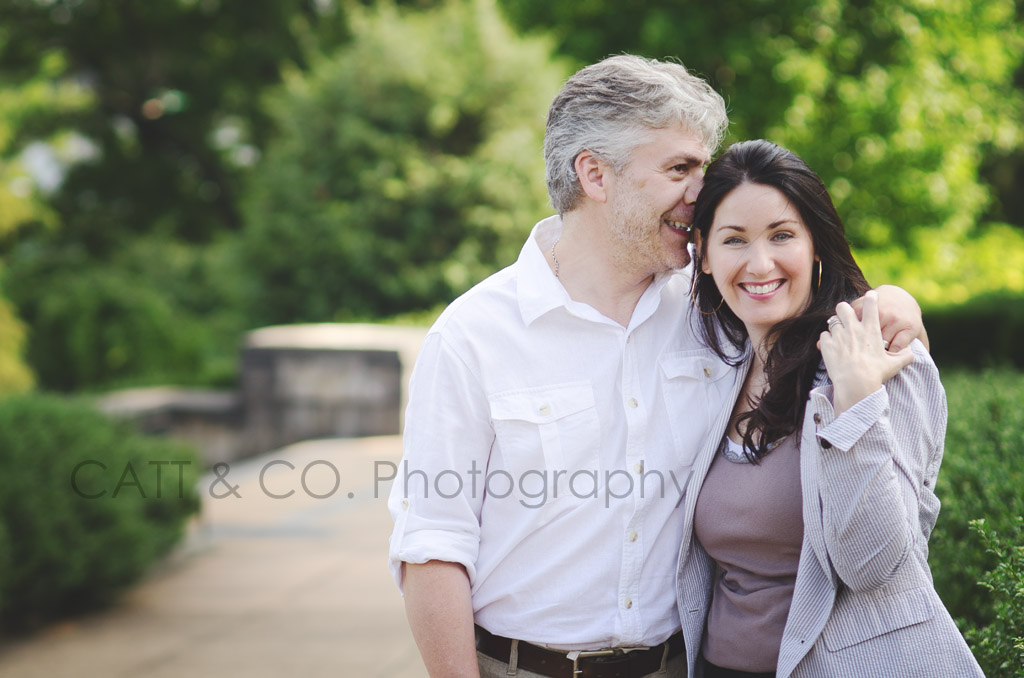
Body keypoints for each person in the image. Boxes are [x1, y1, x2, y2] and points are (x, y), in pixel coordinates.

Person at [387, 56, 926, 678]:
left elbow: (803, 297)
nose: (702, 193)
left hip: (681, 664)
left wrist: (889, 301)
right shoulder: (472, 335)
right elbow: (433, 544)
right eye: (680, 169)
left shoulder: (714, 312)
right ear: (594, 173)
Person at [678, 139, 984, 678]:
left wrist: (857, 399)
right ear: (702, 254)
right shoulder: (714, 368)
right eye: (734, 240)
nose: (759, 262)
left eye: (781, 235)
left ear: (816, 244)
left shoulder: (881, 357)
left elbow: (873, 563)